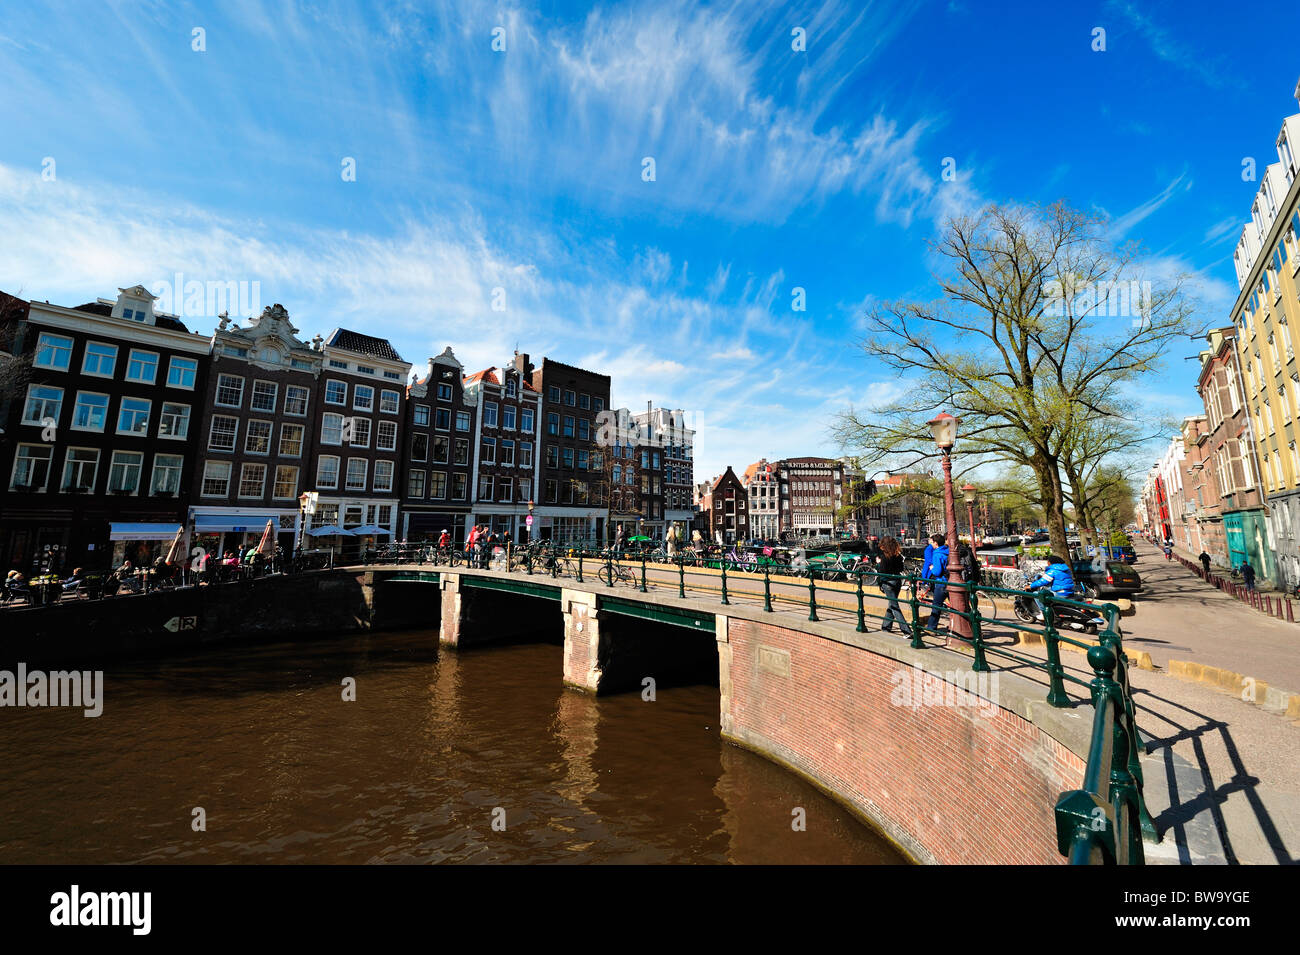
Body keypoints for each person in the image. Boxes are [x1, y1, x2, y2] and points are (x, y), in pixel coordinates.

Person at [876, 537, 908, 633]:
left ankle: (906, 630)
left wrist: (878, 563)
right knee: (892, 604)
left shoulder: (884, 557)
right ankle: (886, 626)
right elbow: (901, 568)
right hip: (897, 581)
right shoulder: (897, 555)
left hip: (888, 582)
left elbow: (882, 571)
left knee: (894, 606)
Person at [923, 533, 950, 630]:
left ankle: (931, 628)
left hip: (941, 583)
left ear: (936, 543)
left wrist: (932, 568)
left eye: (932, 542)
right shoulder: (948, 551)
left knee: (936, 607)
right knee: (956, 606)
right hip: (951, 582)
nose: (932, 544)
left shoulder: (937, 554)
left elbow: (937, 572)